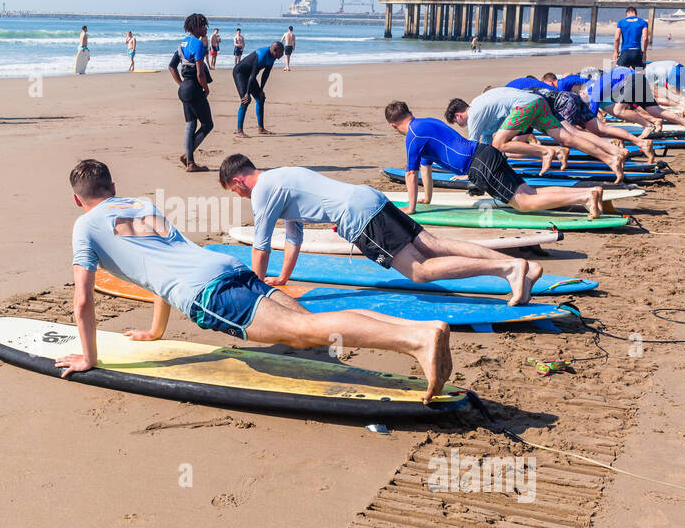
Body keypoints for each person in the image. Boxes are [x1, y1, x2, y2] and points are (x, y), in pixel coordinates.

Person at [59, 160, 453, 401]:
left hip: (208, 295)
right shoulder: (139, 204)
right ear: (113, 188)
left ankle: (415, 341)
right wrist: (155, 330)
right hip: (225, 267)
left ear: (79, 199)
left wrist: (89, 359)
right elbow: (162, 264)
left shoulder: (85, 226)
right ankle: (423, 328)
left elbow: (82, 301)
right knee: (304, 326)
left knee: (304, 330)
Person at [219, 155, 541, 306]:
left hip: (358, 217)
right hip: (369, 197)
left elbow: (260, 247)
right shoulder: (282, 174)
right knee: (434, 245)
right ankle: (522, 270)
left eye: (235, 192)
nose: (240, 197)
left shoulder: (262, 191)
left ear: (237, 181)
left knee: (420, 271)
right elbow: (293, 236)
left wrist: (255, 287)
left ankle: (509, 269)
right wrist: (284, 278)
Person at [385, 101, 605, 220]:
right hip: (485, 152)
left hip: (479, 165)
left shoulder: (413, 136)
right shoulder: (426, 123)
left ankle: (584, 196)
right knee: (529, 192)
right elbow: (425, 168)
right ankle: (590, 193)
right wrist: (426, 198)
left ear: (393, 125)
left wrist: (411, 208)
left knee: (524, 204)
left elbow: (411, 174)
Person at [448, 85, 628, 181]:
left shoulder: (474, 114)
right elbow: (486, 144)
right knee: (568, 139)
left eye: (458, 122)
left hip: (525, 106)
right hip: (537, 102)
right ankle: (610, 159)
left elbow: (472, 148)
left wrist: (468, 173)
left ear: (458, 115)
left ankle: (547, 151)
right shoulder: (483, 106)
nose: (461, 125)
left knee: (500, 143)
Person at [168, 13, 213, 172]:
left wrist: (181, 84)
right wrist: (206, 89)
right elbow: (200, 74)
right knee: (208, 124)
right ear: (194, 27)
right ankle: (188, 157)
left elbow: (172, 66)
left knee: (190, 124)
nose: (205, 28)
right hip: (194, 88)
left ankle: (190, 162)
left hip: (184, 89)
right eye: (202, 25)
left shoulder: (182, 44)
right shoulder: (198, 44)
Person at [232, 42, 283, 136]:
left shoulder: (272, 57)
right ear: (275, 50)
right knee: (246, 100)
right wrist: (247, 93)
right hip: (240, 73)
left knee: (260, 98)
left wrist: (261, 89)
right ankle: (239, 131)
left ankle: (261, 128)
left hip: (250, 75)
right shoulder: (262, 55)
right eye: (281, 52)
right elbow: (252, 76)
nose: (282, 54)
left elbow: (265, 74)